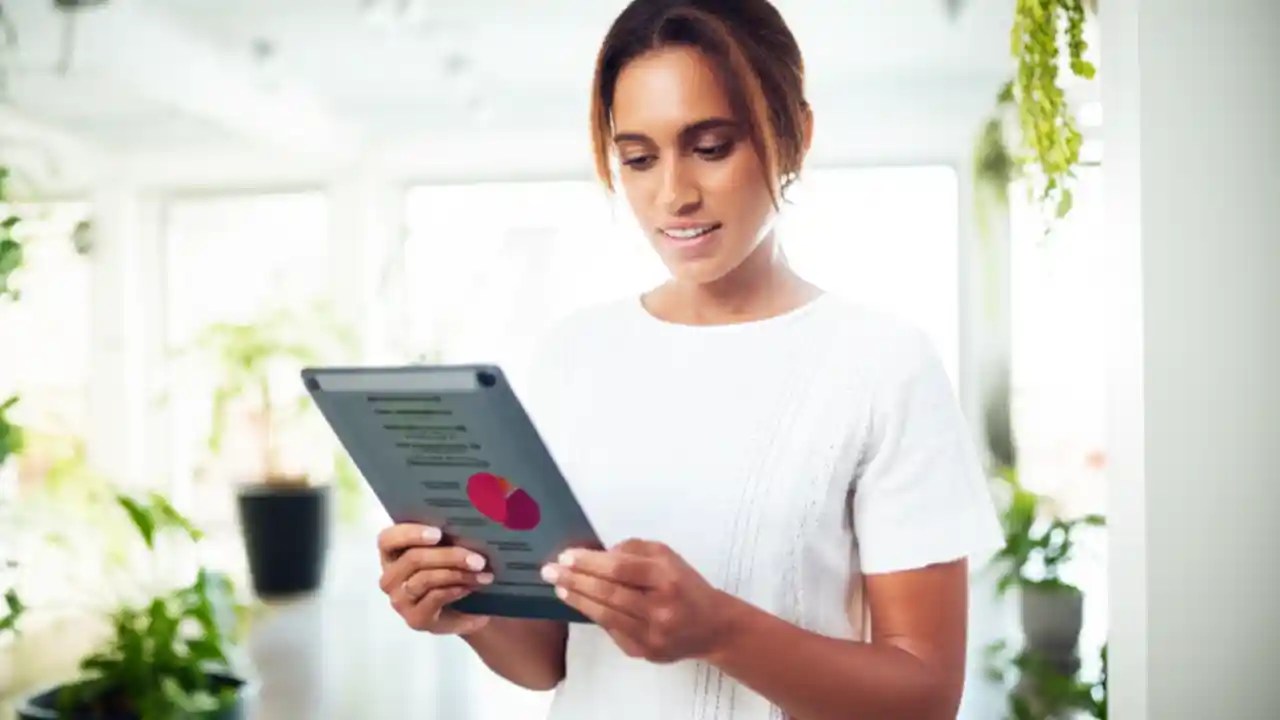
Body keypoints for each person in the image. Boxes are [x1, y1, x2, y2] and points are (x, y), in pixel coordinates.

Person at [375, 0, 1003, 717]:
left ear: (795, 134)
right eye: (638, 158)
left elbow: (925, 697)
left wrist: (721, 629)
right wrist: (467, 611)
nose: (672, 194)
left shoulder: (883, 364)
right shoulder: (574, 356)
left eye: (710, 147)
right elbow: (551, 661)